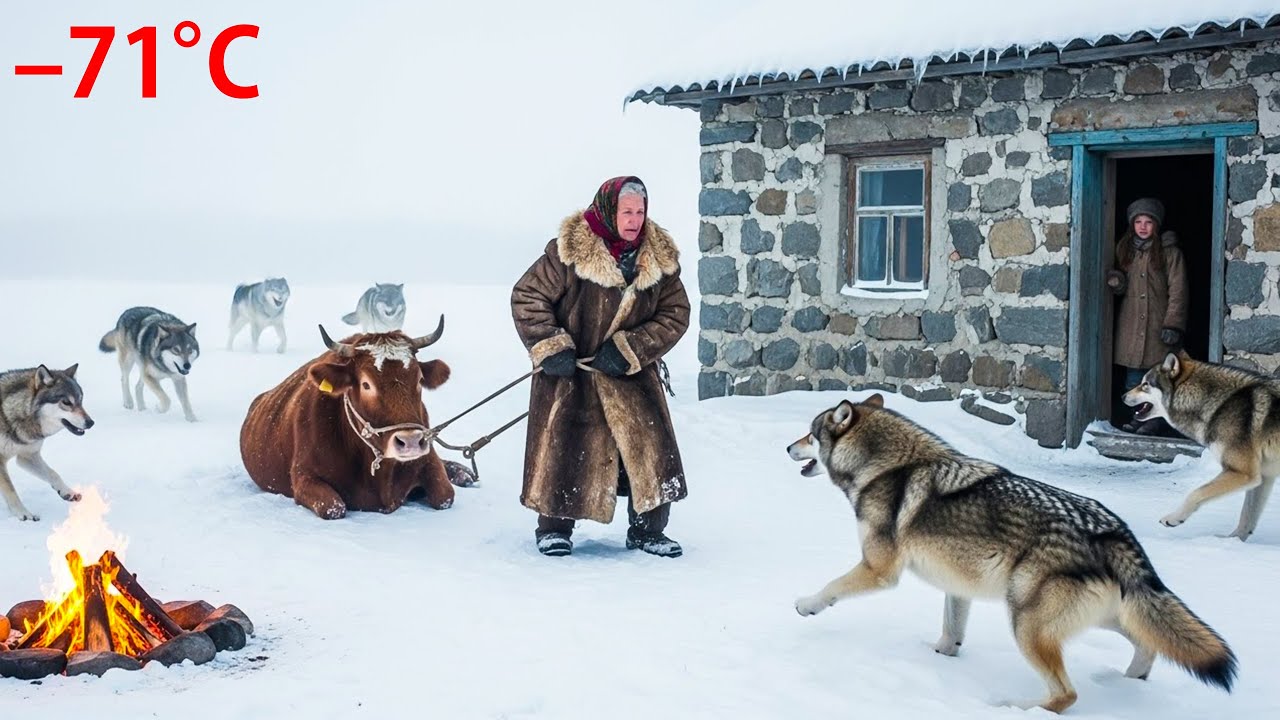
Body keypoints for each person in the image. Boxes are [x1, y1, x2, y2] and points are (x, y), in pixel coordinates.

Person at [510, 176, 691, 558]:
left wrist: (631, 348)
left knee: (648, 452)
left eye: (640, 212)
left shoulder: (658, 258)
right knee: (564, 446)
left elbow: (675, 314)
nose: (635, 220)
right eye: (627, 211)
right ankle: (554, 528)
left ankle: (647, 531)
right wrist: (551, 346)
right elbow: (528, 297)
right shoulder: (568, 253)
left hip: (632, 374)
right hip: (571, 375)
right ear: (609, 210)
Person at [1107, 197, 1187, 435]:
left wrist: (1173, 324)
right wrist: (1117, 281)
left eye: (1148, 222)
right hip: (1131, 326)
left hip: (1157, 325)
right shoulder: (1124, 250)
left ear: (1157, 225)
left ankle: (1154, 421)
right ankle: (1139, 418)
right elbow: (1122, 286)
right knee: (1133, 378)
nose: (1142, 227)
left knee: (1157, 379)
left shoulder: (1170, 253)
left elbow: (1179, 290)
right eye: (1138, 222)